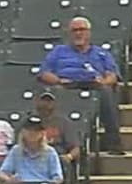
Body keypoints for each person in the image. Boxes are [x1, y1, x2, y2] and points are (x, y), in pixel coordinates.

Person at [37, 16, 125, 155]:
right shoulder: (58, 52)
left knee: (107, 92)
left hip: (94, 85)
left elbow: (113, 75)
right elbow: (44, 73)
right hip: (67, 85)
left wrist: (104, 81)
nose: (78, 33)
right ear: (69, 33)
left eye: (82, 29)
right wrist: (58, 80)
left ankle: (114, 144)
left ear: (89, 32)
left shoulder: (101, 53)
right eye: (75, 30)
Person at [0, 116, 65, 184]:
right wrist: (9, 180)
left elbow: (58, 177)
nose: (32, 133)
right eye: (29, 129)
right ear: (23, 132)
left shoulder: (50, 152)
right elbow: (2, 173)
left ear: (42, 133)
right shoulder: (16, 150)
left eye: (36, 130)